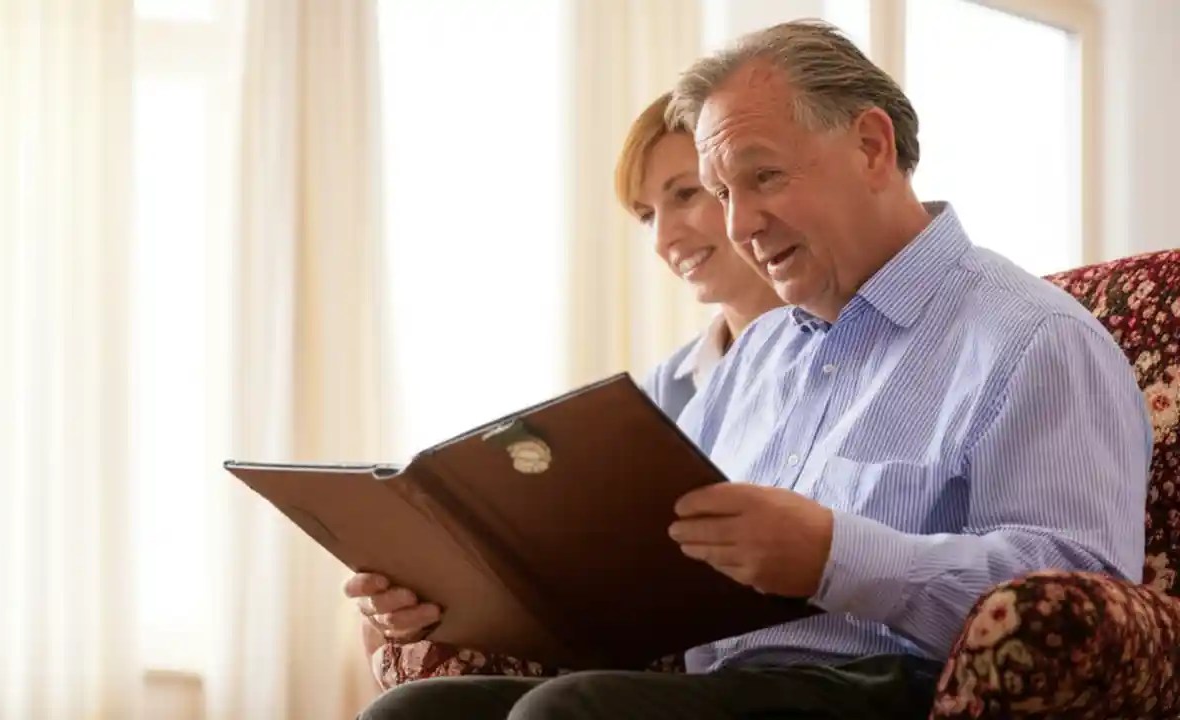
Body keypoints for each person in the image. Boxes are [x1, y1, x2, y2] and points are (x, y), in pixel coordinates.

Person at [356, 20, 1151, 719]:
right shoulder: (759, 356)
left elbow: (1073, 604)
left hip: (895, 689)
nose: (739, 225)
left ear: (872, 147)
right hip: (722, 690)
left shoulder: (1034, 340)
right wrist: (461, 595)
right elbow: (638, 564)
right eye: (722, 192)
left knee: (577, 711)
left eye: (763, 176)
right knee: (419, 710)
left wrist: (836, 557)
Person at [346, 91, 784, 687]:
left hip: (722, 643)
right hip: (625, 623)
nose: (664, 238)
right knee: (395, 623)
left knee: (432, 665)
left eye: (684, 194)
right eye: (647, 215)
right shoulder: (664, 388)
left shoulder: (824, 357)